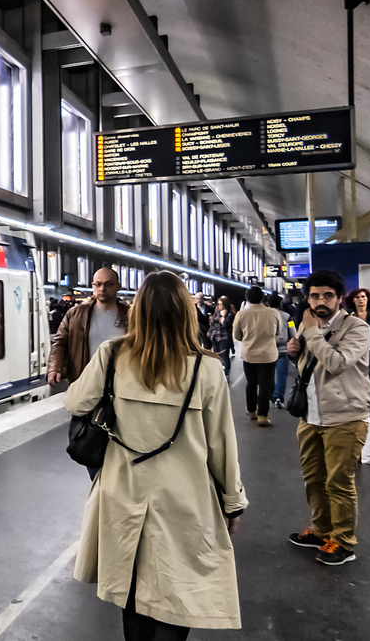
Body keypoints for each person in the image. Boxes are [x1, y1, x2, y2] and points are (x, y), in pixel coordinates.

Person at [67, 271, 247, 640]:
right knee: (177, 589)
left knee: (133, 590)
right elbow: (221, 444)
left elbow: (75, 402)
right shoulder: (207, 367)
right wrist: (233, 502)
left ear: (139, 310)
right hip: (185, 497)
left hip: (123, 492)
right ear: (186, 312)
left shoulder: (112, 355)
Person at [286, 270, 370, 566]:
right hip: (310, 415)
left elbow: (336, 364)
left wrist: (310, 334)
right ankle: (321, 531)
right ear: (307, 298)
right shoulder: (308, 326)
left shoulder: (357, 327)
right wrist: (294, 353)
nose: (320, 301)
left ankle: (344, 541)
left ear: (339, 298)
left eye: (327, 296)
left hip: (346, 416)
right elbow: (310, 368)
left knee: (339, 482)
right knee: (313, 479)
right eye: (314, 296)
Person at [47, 268, 130, 386]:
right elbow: (60, 342)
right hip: (84, 380)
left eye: (109, 284)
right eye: (98, 284)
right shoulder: (75, 314)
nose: (102, 289)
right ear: (93, 286)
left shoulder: (132, 316)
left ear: (118, 286)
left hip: (122, 381)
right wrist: (54, 367)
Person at [233, 286, 281, 427]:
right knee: (266, 384)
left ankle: (251, 410)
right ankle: (263, 415)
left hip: (250, 354)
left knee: (251, 382)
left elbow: (237, 335)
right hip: (268, 355)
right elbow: (278, 331)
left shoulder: (241, 314)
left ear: (247, 298)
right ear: (263, 298)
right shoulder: (273, 312)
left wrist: (248, 338)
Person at [268, 294, 293, 409]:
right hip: (283, 349)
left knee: (269, 374)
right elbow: (293, 331)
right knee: (282, 374)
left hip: (268, 349)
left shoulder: (265, 316)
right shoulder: (287, 316)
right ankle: (278, 397)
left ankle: (271, 395)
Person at [208, 297, 235, 377]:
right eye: (218, 304)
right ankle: (218, 371)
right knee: (217, 356)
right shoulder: (216, 312)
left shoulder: (230, 314)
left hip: (224, 337)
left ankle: (226, 373)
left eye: (221, 304)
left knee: (224, 356)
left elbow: (225, 324)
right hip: (215, 336)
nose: (219, 306)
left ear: (225, 305)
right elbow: (212, 323)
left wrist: (223, 316)